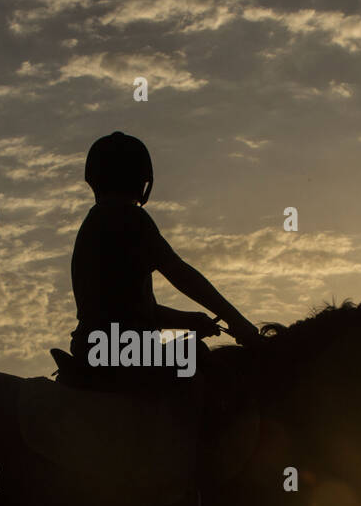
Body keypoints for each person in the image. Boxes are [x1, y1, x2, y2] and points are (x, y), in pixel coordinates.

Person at [66, 131, 259, 390]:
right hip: (120, 352)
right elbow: (180, 272)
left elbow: (133, 312)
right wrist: (237, 320)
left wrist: (190, 320)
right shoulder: (128, 218)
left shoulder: (96, 222)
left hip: (95, 347)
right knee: (200, 360)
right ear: (140, 180)